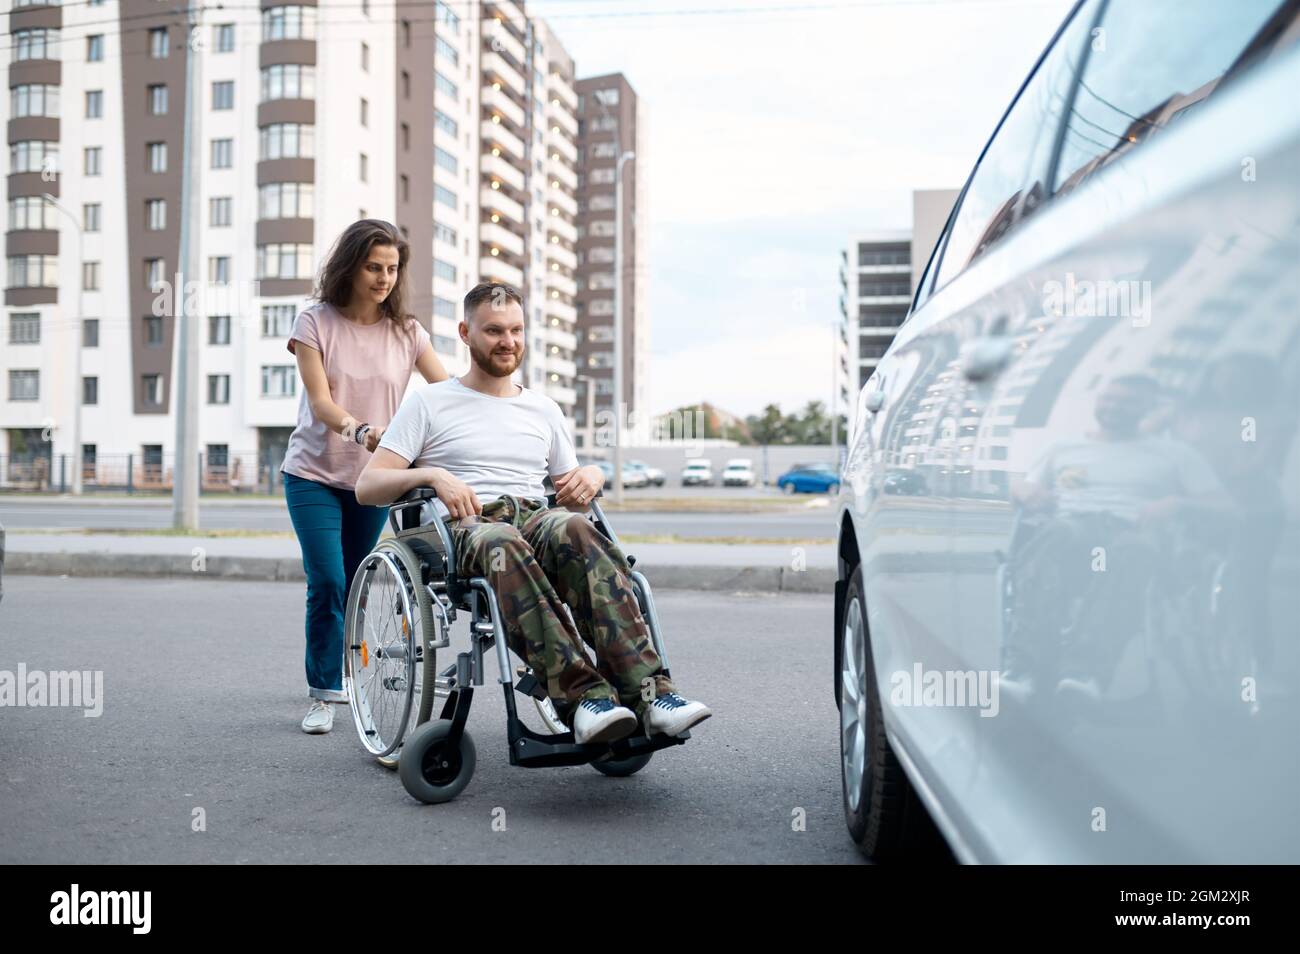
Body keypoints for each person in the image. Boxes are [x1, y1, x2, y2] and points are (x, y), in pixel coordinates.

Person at [355, 282, 712, 745]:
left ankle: (652, 696)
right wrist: (435, 476)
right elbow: (368, 486)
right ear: (465, 333)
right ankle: (585, 699)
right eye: (494, 330)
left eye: (517, 330)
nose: (508, 341)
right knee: (502, 542)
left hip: (534, 516)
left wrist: (593, 475)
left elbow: (572, 496)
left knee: (579, 529)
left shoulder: (543, 408)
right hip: (467, 524)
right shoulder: (430, 401)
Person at [281, 220, 450, 734]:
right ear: (350, 267)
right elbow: (321, 403)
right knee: (328, 581)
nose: (383, 278)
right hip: (314, 473)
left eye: (392, 269)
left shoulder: (408, 332)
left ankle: (351, 678)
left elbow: (445, 392)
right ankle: (323, 692)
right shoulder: (315, 322)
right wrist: (360, 431)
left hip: (374, 482)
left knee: (358, 584)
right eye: (373, 267)